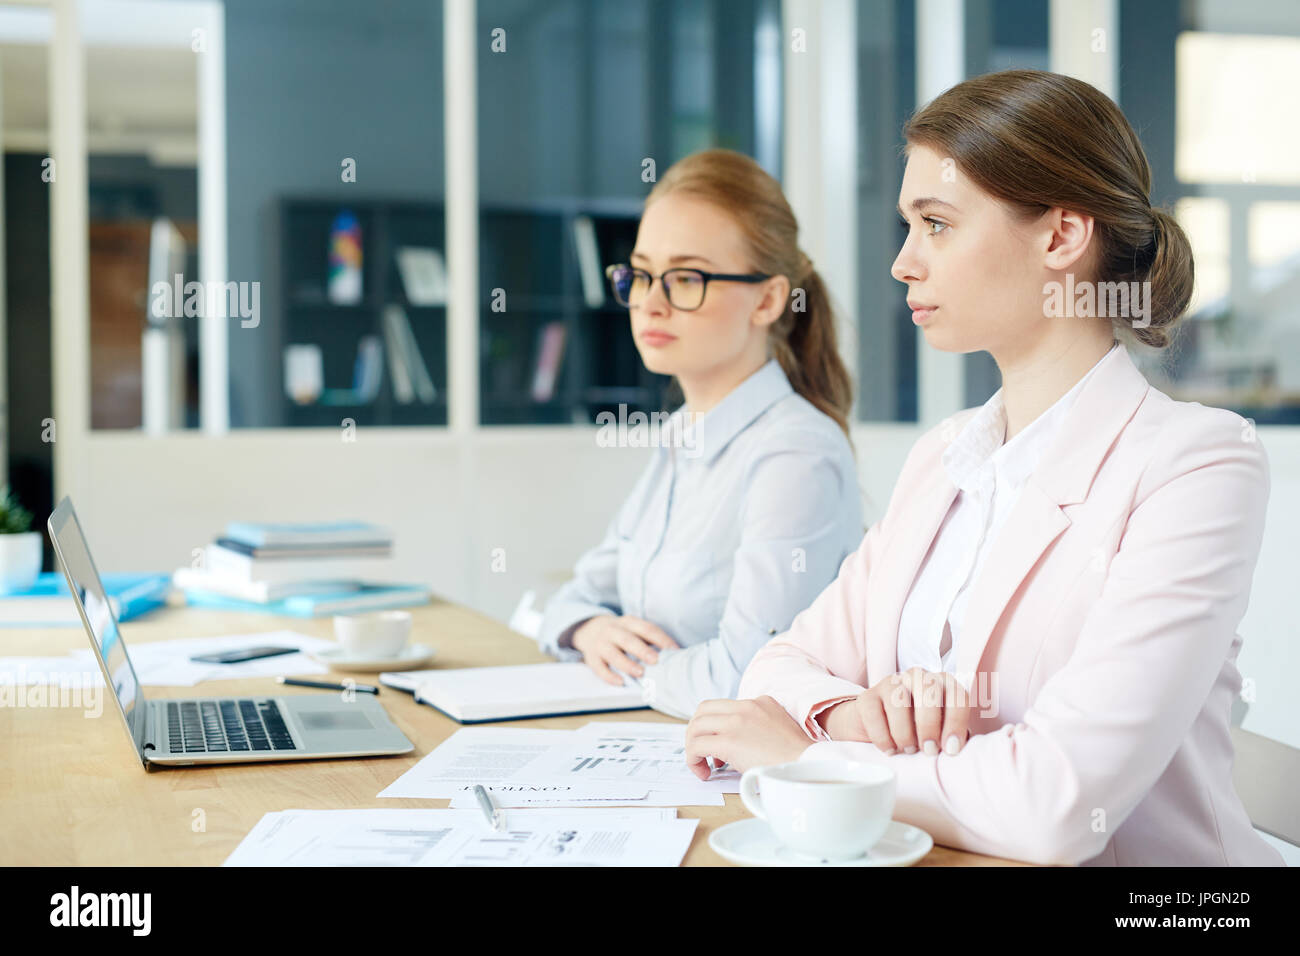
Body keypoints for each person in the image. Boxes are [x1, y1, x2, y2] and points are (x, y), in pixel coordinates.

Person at [684, 70, 1283, 866]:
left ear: (1062, 236)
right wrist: (857, 715)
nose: (903, 262)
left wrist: (811, 761)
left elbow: (1056, 805)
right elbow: (779, 663)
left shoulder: (1197, 465)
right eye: (908, 225)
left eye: (936, 224)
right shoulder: (947, 455)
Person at [536, 148, 863, 721]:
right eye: (640, 275)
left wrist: (630, 670)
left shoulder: (794, 453)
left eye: (686, 278)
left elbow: (748, 677)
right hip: (652, 739)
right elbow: (574, 595)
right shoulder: (681, 435)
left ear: (767, 298)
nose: (652, 303)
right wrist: (589, 631)